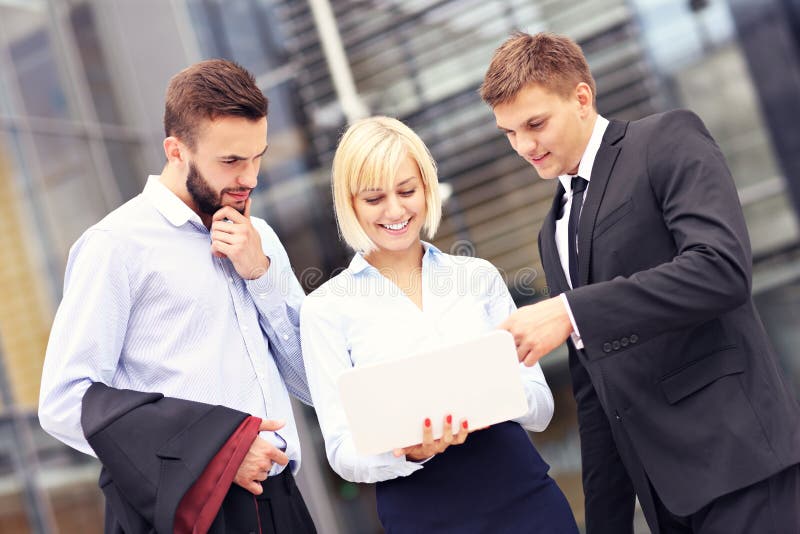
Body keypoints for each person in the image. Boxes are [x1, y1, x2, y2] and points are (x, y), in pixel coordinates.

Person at [480, 31, 800, 533]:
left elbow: (721, 268)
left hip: (742, 469)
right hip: (666, 503)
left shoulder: (666, 139)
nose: (524, 146)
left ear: (582, 98)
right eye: (509, 133)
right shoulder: (553, 228)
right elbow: (594, 390)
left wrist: (570, 311)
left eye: (535, 124)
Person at [38, 59, 316, 533]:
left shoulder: (261, 238)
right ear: (176, 151)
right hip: (188, 511)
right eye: (230, 161)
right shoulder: (116, 246)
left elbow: (312, 382)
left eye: (257, 157)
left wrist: (261, 276)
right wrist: (216, 454)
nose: (249, 177)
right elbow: (66, 402)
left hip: (281, 503)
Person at [300, 116, 578, 533]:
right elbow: (342, 452)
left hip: (522, 497)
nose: (395, 210)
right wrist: (409, 452)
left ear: (427, 189)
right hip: (424, 514)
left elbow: (541, 408)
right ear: (350, 203)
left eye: (407, 191)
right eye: (374, 198)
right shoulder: (326, 310)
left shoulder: (476, 277)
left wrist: (489, 397)